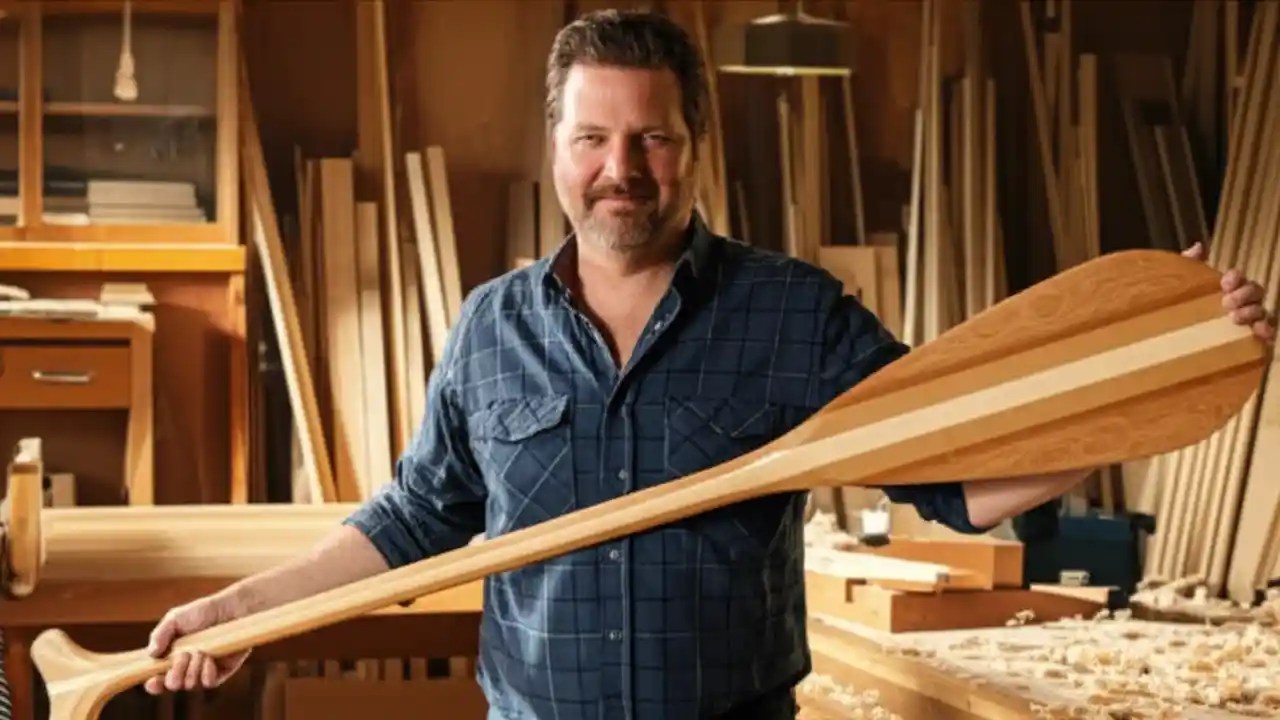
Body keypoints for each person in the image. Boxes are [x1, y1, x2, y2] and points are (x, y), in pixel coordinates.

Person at [144, 9, 1275, 719]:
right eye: (592, 139)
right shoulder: (492, 326)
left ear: (692, 147)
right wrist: (241, 611)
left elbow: (954, 483)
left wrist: (1126, 393)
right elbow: (410, 521)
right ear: (557, 150)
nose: (619, 168)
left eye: (650, 138)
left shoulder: (793, 313)